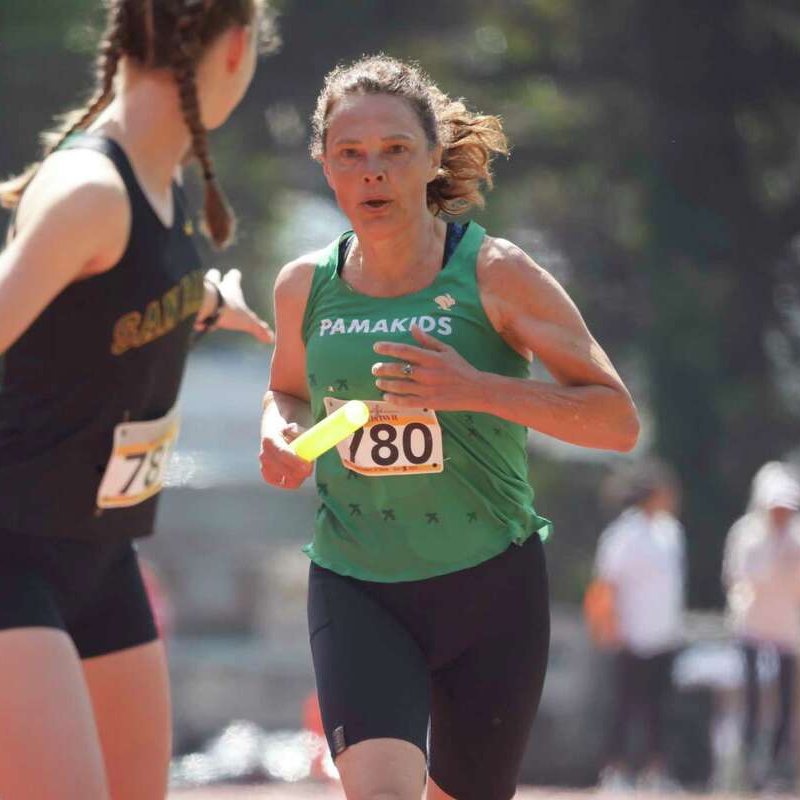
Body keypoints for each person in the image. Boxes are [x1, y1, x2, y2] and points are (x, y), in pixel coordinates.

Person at [0, 2, 274, 798]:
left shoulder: (160, 177)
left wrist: (206, 304)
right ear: (237, 49)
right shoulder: (90, 191)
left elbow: (104, 304)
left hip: (100, 556)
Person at [259, 55, 640, 800]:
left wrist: (474, 389)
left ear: (432, 158)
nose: (373, 172)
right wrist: (281, 433)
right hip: (356, 580)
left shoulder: (497, 272)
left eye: (395, 151)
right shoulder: (303, 286)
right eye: (350, 155)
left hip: (490, 589)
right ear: (326, 169)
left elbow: (616, 421)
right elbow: (286, 393)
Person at [722, 462, 800, 787]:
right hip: (752, 625)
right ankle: (751, 766)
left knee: (785, 700)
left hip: (788, 629)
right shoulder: (746, 532)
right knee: (751, 699)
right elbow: (737, 577)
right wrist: (775, 569)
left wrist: (790, 566)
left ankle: (780, 767)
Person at [592, 460, 685, 792]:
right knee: (623, 707)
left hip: (664, 634)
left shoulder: (671, 531)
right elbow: (606, 585)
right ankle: (614, 772)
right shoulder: (623, 534)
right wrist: (608, 627)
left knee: (660, 708)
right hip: (629, 635)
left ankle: (656, 772)